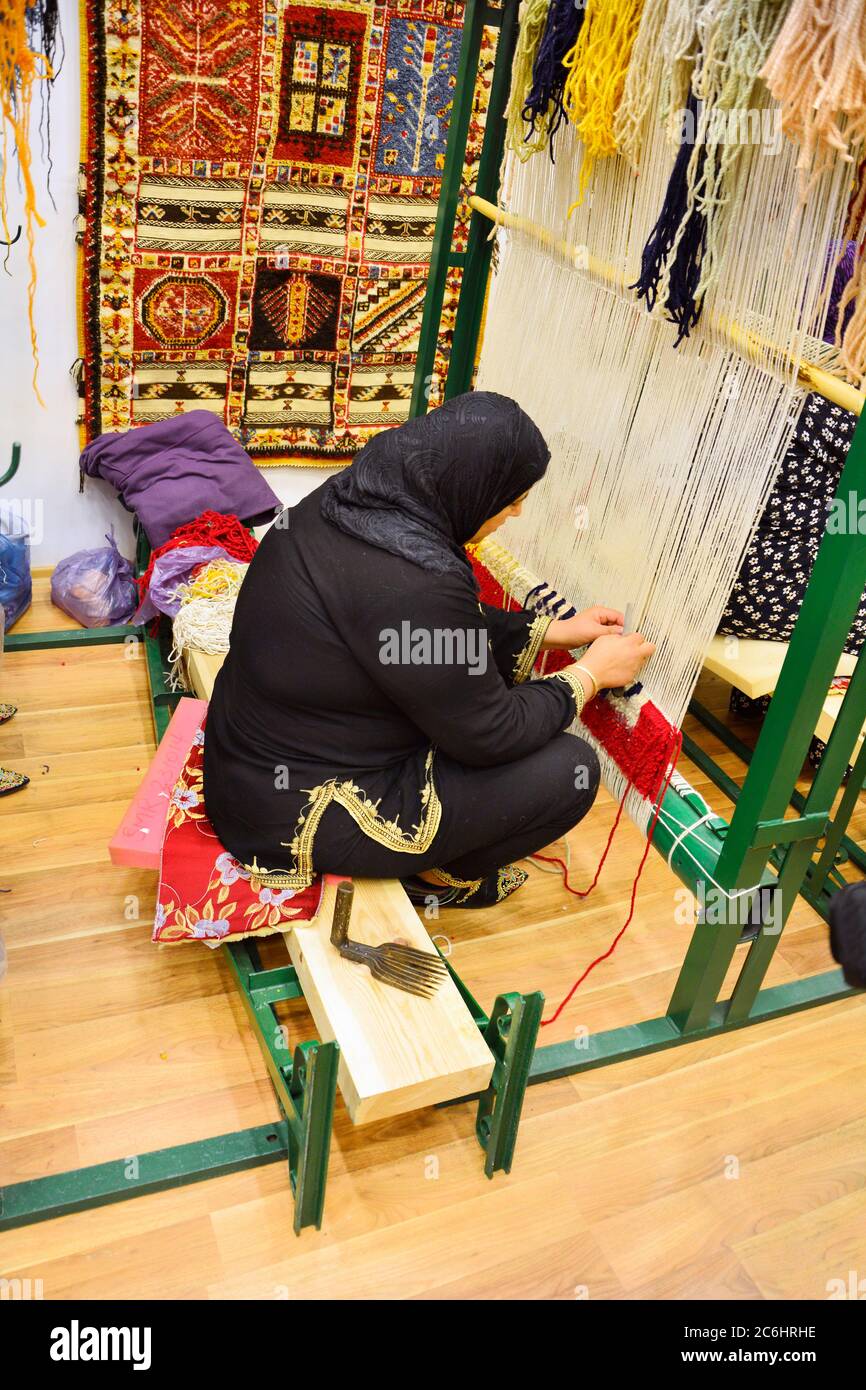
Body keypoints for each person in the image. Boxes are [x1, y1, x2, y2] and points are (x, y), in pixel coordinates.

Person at [203, 392, 654, 908]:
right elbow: (491, 732)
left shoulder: (349, 503)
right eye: (510, 500)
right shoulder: (417, 579)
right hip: (303, 809)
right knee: (569, 772)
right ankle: (437, 879)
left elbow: (412, 631)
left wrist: (554, 631)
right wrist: (592, 674)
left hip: (248, 768)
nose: (517, 511)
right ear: (471, 487)